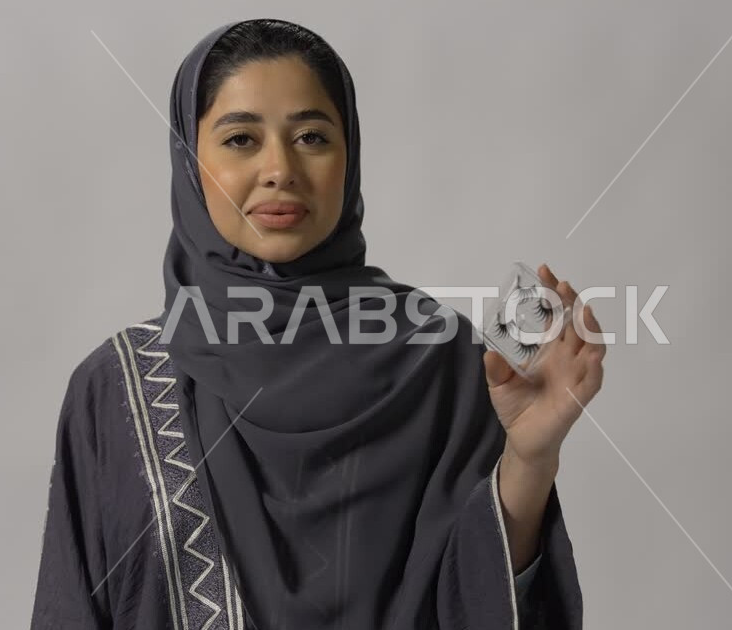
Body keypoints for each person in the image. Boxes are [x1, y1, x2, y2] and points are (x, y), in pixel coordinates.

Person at [30, 17, 603, 630]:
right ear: (190, 160)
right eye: (241, 139)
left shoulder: (449, 363)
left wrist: (530, 457)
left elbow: (482, 602)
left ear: (348, 156)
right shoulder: (116, 390)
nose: (280, 169)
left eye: (311, 136)